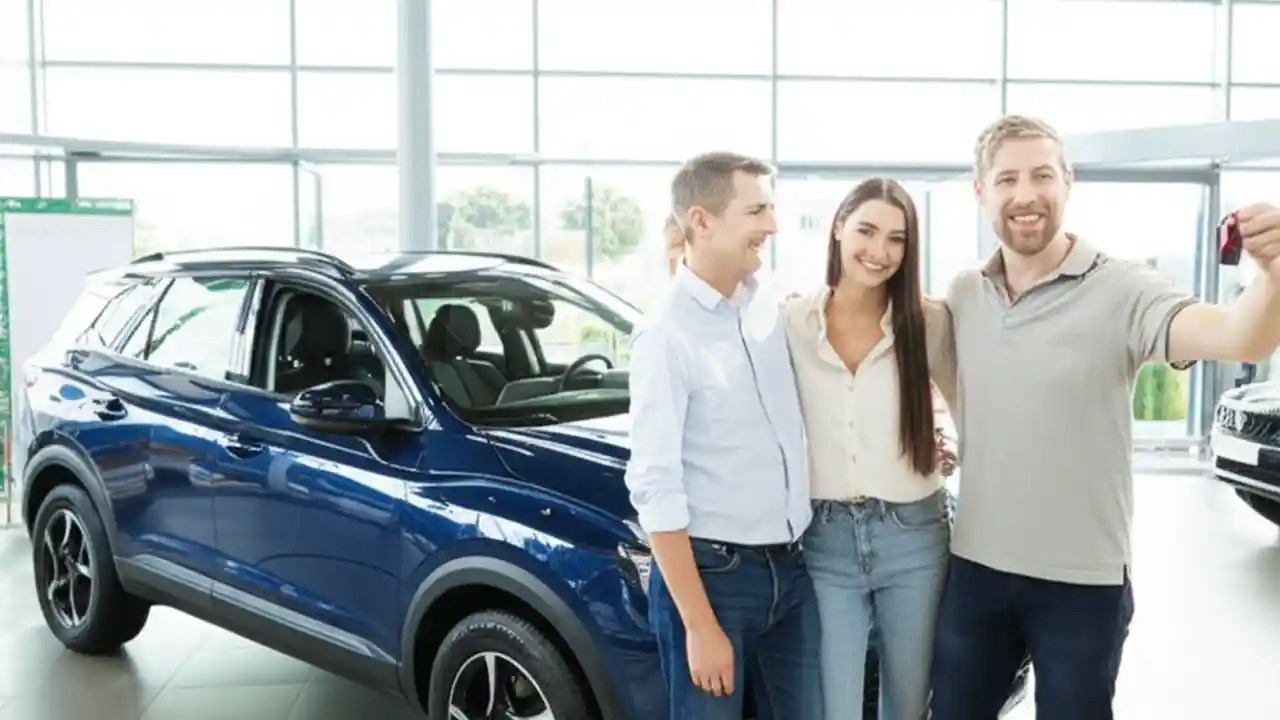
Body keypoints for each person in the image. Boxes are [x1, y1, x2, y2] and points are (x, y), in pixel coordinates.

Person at [929, 114, 1280, 720]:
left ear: (1068, 183)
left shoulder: (1123, 288)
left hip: (1081, 583)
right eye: (1006, 178)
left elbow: (1239, 338)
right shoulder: (964, 293)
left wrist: (1274, 275)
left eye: (1042, 174)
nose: (1025, 194)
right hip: (977, 571)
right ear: (980, 191)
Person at [624, 151, 823, 720]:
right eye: (756, 210)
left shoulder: (768, 303)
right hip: (715, 583)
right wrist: (698, 624)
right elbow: (653, 485)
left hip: (791, 571)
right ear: (701, 221)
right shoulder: (665, 334)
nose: (773, 225)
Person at [783, 177, 960, 719]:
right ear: (838, 228)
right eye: (866, 230)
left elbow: (968, 409)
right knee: (831, 705)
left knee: (907, 705)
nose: (879, 252)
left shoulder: (927, 322)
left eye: (896, 238)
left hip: (914, 536)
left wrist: (947, 438)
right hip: (825, 537)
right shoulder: (792, 322)